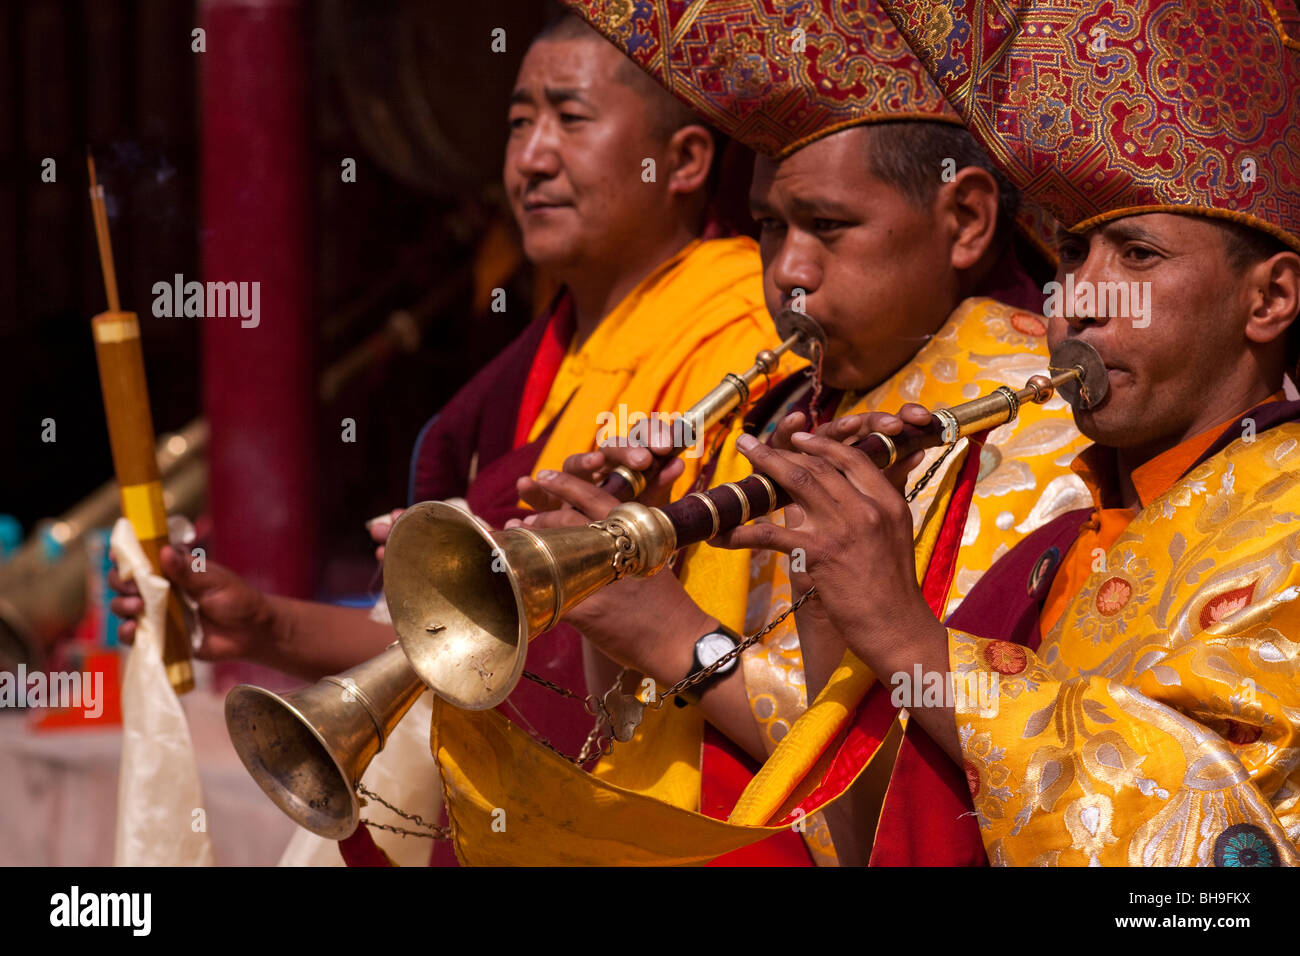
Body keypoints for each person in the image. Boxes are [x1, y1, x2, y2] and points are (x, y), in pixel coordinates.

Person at [425, 0, 1089, 866]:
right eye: (771, 226)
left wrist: (680, 641)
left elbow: (929, 767)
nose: (788, 275)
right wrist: (611, 587)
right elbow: (645, 719)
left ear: (963, 221)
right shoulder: (777, 403)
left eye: (828, 227)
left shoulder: (1031, 420)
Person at [109, 11, 792, 849]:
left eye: (570, 119)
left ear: (684, 161)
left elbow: (694, 647)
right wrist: (265, 627)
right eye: (517, 124)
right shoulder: (532, 362)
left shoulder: (737, 341)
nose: (532, 157)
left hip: (646, 822)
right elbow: (467, 642)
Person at [716, 0, 1300, 865]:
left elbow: (1211, 871)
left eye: (1137, 256)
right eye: (1069, 256)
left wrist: (910, 638)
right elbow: (886, 839)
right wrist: (838, 608)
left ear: (1270, 299)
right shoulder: (1065, 538)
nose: (1080, 302)